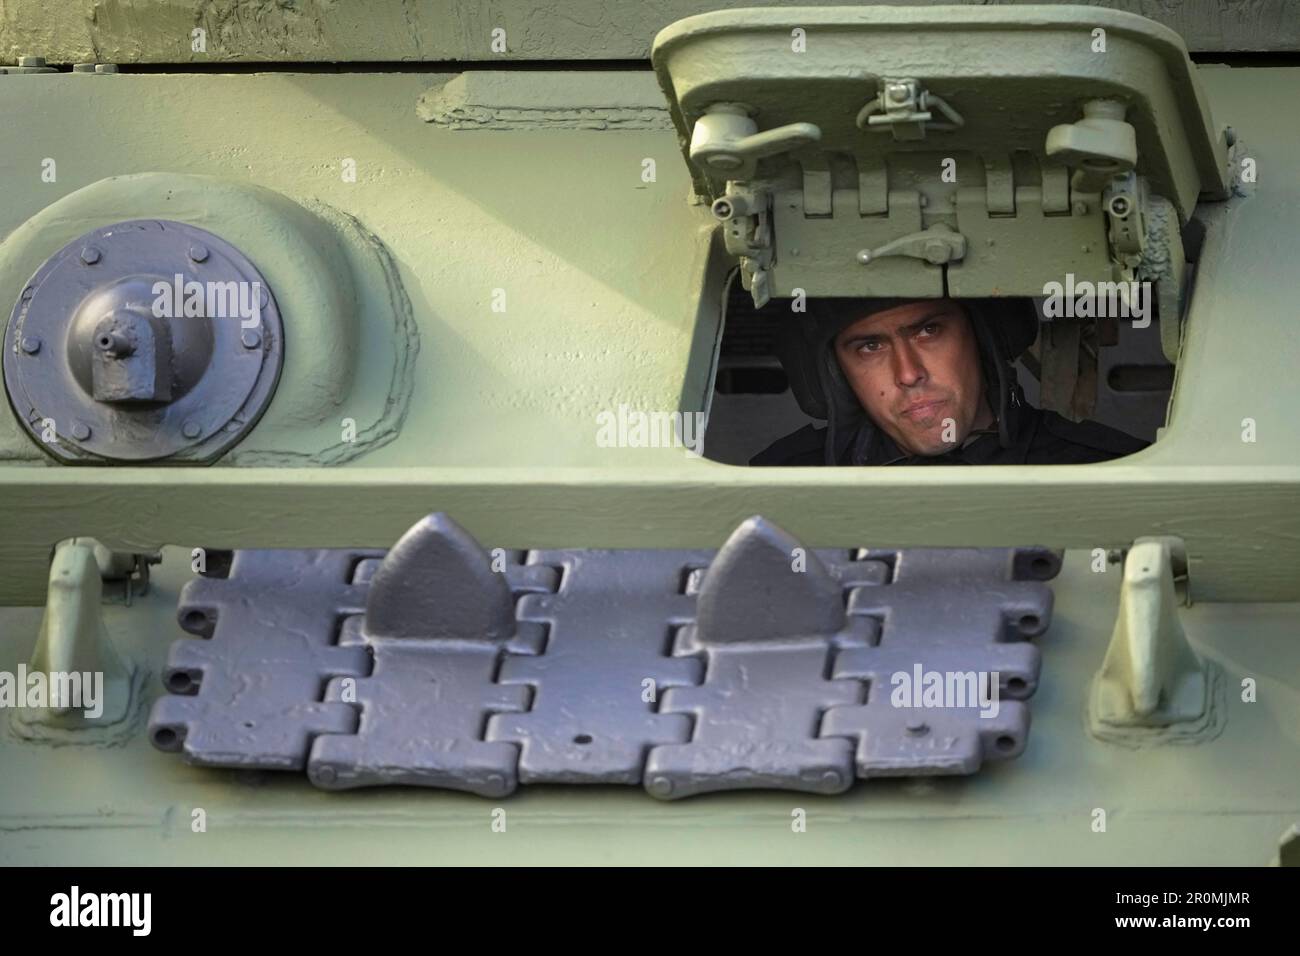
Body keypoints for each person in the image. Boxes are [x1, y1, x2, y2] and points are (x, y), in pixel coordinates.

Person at [751, 297, 1149, 466]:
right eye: (870, 346)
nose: (908, 373)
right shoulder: (781, 490)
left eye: (928, 331)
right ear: (835, 373)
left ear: (981, 336)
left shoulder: (1106, 473)